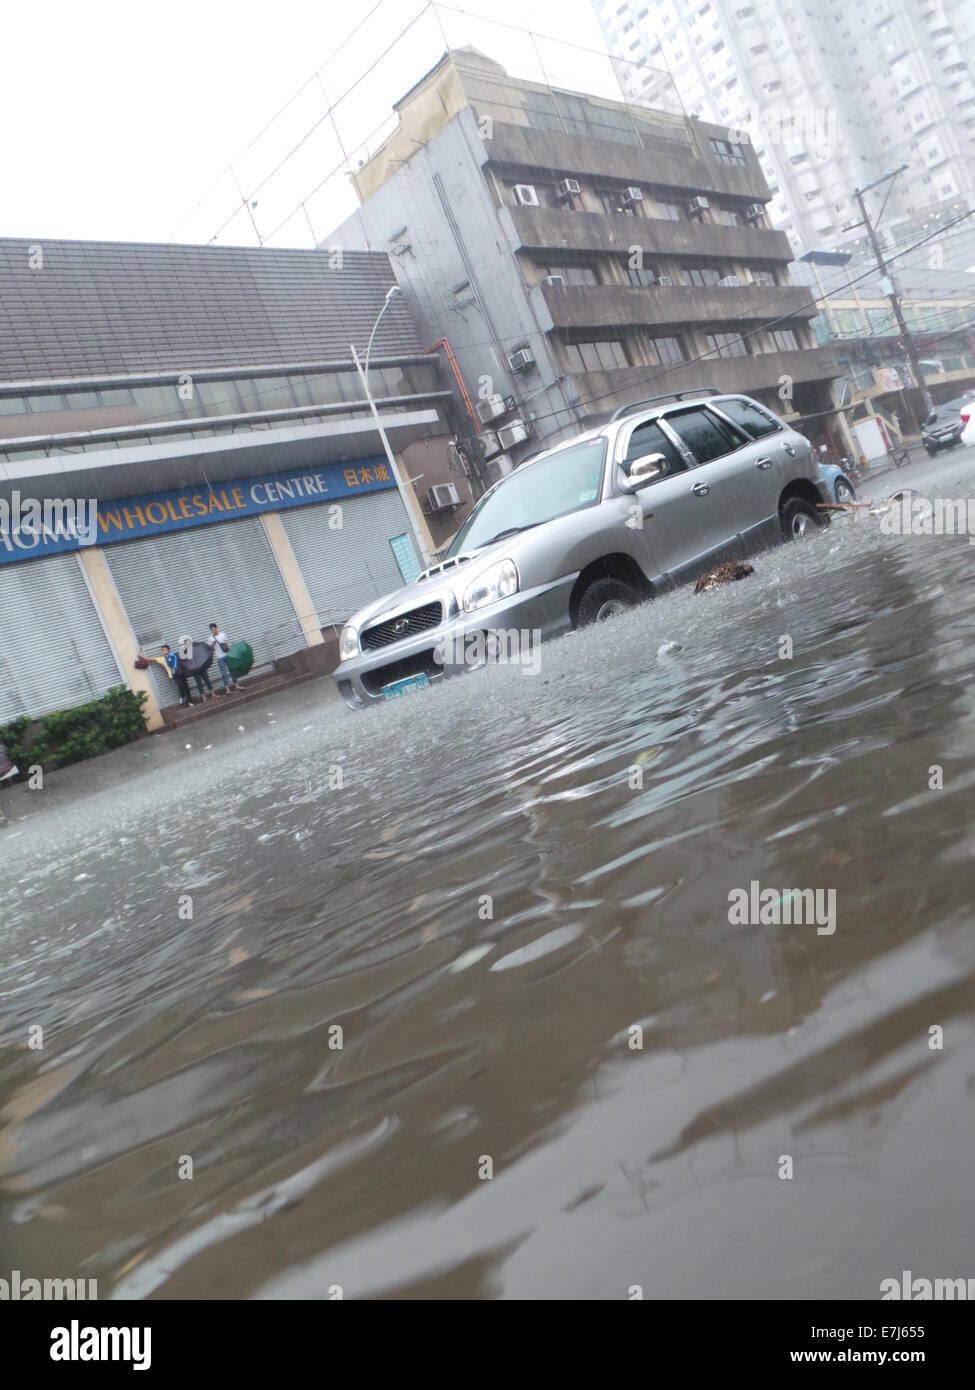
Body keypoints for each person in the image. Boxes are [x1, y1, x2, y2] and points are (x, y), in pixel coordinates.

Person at [207, 621, 240, 693]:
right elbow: (210, 648)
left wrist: (230, 653)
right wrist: (213, 643)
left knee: (232, 670)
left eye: (214, 628)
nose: (213, 630)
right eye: (211, 629)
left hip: (227, 655)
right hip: (219, 657)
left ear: (216, 628)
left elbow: (227, 644)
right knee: (223, 673)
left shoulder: (223, 634)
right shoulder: (210, 638)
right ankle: (227, 689)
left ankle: (236, 685)